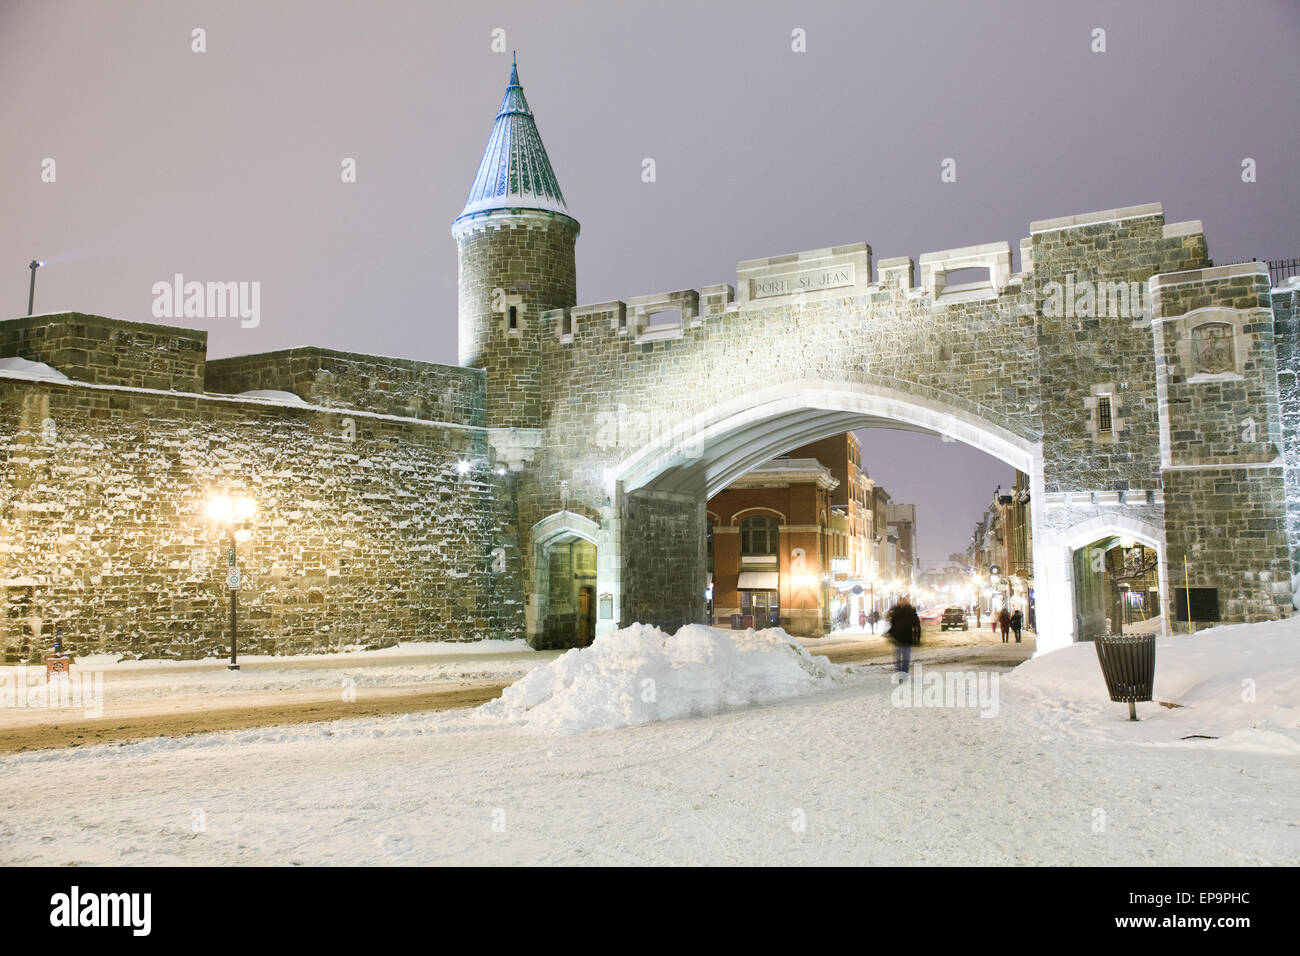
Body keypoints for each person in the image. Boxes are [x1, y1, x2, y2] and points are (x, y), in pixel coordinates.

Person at [887, 596, 921, 674]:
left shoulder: (911, 611)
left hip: (907, 637)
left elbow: (917, 625)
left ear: (907, 602)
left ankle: (904, 672)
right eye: (901, 601)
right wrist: (891, 634)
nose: (902, 603)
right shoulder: (896, 611)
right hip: (898, 638)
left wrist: (917, 638)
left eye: (904, 601)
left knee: (905, 657)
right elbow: (892, 624)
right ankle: (899, 672)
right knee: (898, 658)